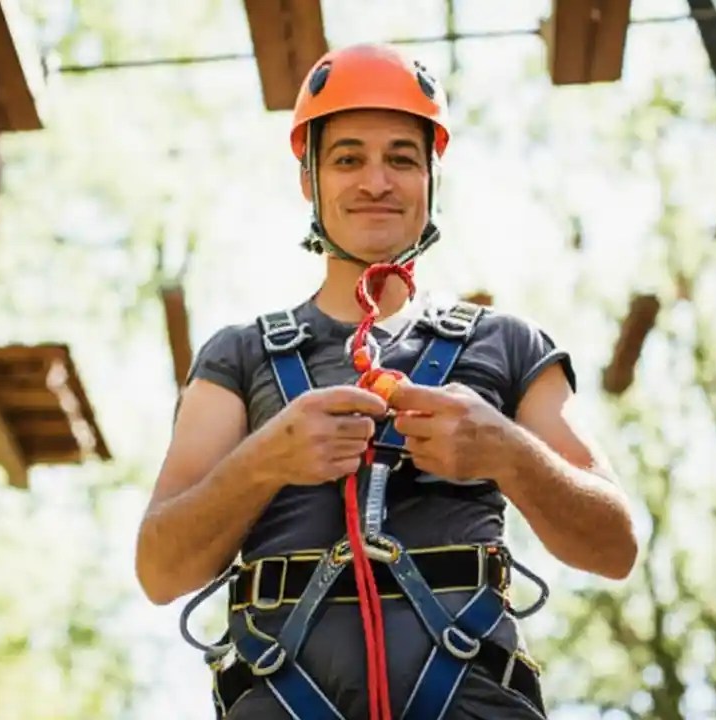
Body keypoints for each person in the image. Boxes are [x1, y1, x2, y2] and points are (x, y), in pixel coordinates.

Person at [135, 43, 637, 720]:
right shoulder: (240, 356)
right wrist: (266, 460)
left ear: (431, 176)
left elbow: (615, 547)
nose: (377, 181)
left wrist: (506, 452)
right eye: (348, 159)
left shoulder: (509, 345)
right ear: (309, 180)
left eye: (401, 158)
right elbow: (160, 570)